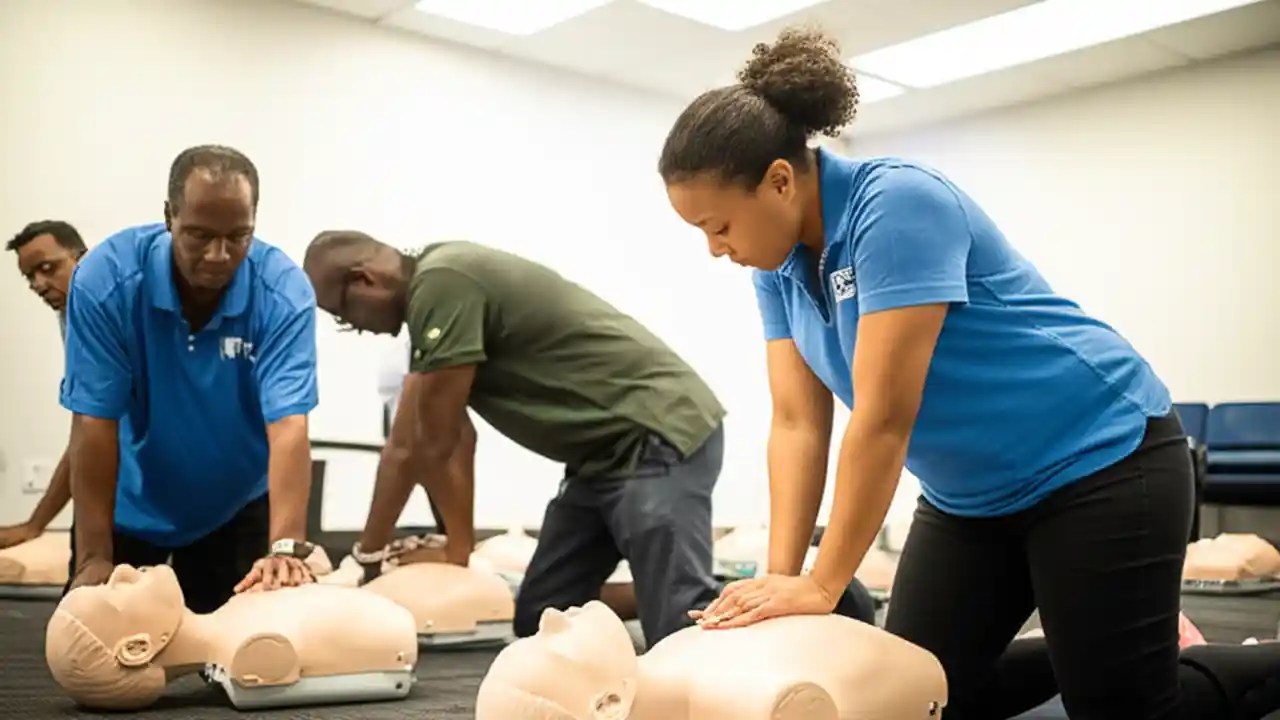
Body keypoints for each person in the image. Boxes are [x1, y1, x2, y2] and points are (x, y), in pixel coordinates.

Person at [657, 26, 1280, 720]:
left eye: (718, 227)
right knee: (915, 693)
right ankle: (1106, 642)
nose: (716, 250)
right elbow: (799, 422)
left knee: (1124, 707)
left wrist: (823, 582)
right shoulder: (775, 265)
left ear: (778, 181)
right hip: (971, 501)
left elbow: (883, 418)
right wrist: (781, 580)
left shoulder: (893, 206)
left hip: (1100, 464)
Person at [300, 233, 732, 646]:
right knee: (544, 616)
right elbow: (434, 439)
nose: (353, 326)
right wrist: (439, 548)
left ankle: (695, 600)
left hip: (654, 434)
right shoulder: (435, 294)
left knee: (676, 627)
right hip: (600, 460)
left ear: (364, 279)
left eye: (342, 315)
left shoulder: (444, 281)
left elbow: (430, 443)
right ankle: (707, 593)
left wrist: (385, 557)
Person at [59, 145, 321, 613]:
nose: (219, 255)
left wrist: (285, 547)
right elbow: (93, 422)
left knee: (243, 666)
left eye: (238, 236)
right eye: (199, 235)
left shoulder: (282, 291)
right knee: (96, 653)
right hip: (132, 502)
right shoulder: (107, 279)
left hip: (235, 503)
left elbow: (289, 427)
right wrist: (94, 557)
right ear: (168, 216)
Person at [0, 221, 87, 550]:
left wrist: (35, 524)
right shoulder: (68, 315)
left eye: (47, 268)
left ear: (82, 257)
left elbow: (88, 429)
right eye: (30, 277)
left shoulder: (108, 313)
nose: (38, 284)